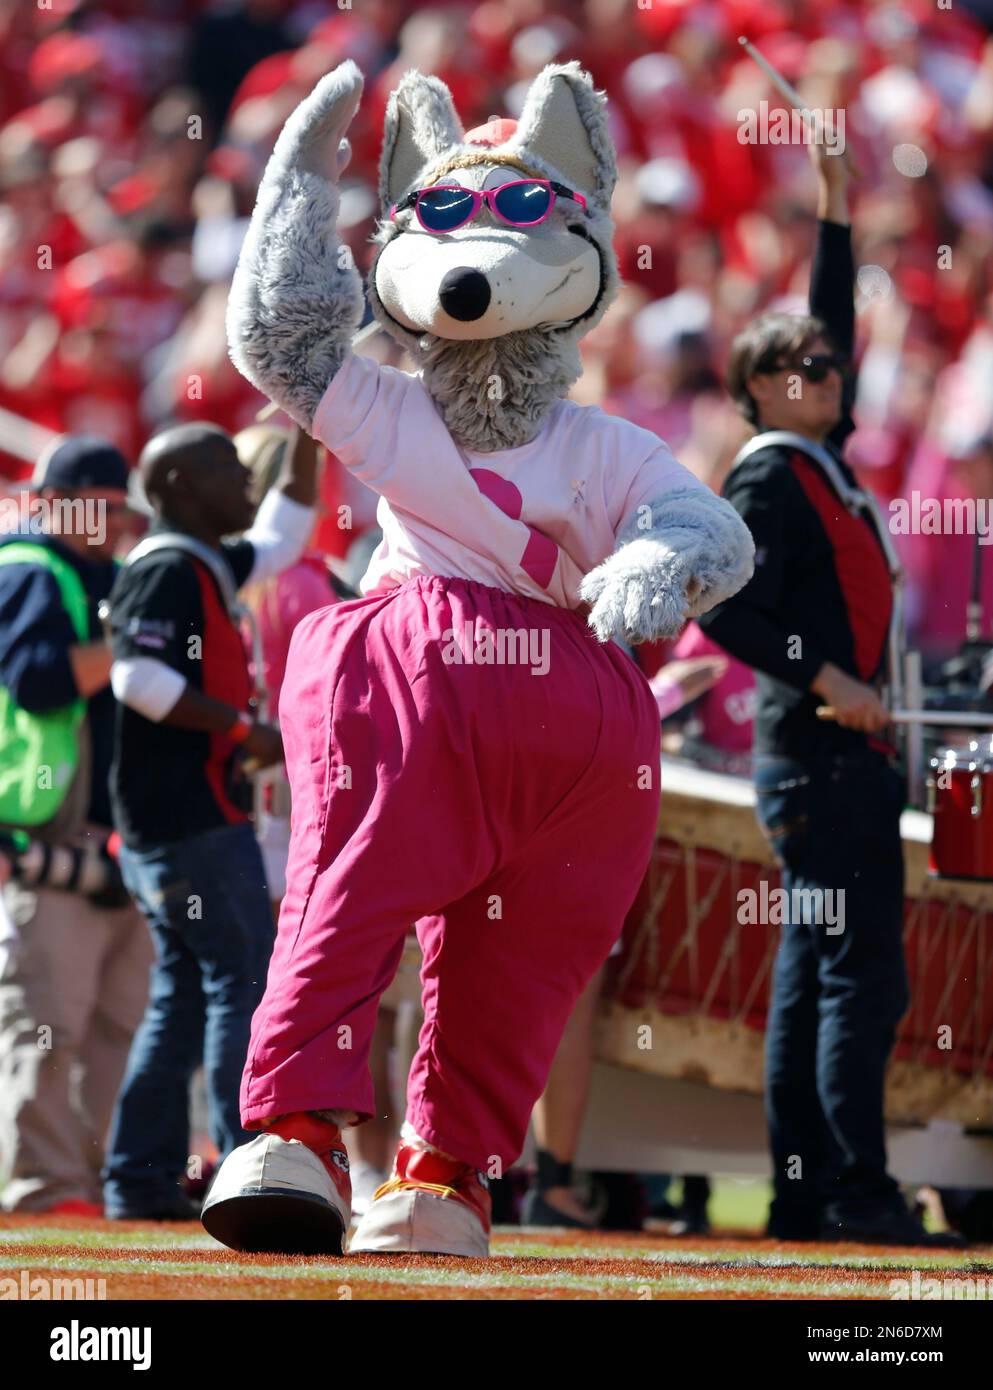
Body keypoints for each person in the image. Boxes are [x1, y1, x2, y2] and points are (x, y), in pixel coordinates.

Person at [699, 142, 958, 1247]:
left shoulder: (818, 456)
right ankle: (855, 1183)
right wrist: (832, 677)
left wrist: (840, 204)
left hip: (825, 762)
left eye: (831, 366)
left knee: (815, 979)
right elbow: (722, 606)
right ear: (761, 385)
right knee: (863, 980)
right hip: (818, 755)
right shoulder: (768, 470)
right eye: (803, 367)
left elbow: (834, 322)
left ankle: (807, 1189)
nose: (830, 373)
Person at [101, 421, 316, 1220]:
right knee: (244, 984)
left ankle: (138, 1180)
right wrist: (240, 730)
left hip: (170, 827)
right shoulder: (166, 567)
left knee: (184, 997)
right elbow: (137, 678)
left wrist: (309, 424)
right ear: (180, 488)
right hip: (190, 823)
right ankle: (241, 1169)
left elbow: (284, 533)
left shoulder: (199, 558)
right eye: (224, 464)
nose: (242, 475)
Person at [0, 435, 152, 1215]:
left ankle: (91, 1188)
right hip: (43, 838)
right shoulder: (27, 568)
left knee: (111, 1030)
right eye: (106, 505)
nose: (118, 521)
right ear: (58, 503)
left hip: (115, 842)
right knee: (45, 1027)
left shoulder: (109, 576)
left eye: (122, 507)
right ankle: (43, 1190)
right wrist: (132, 640)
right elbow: (38, 681)